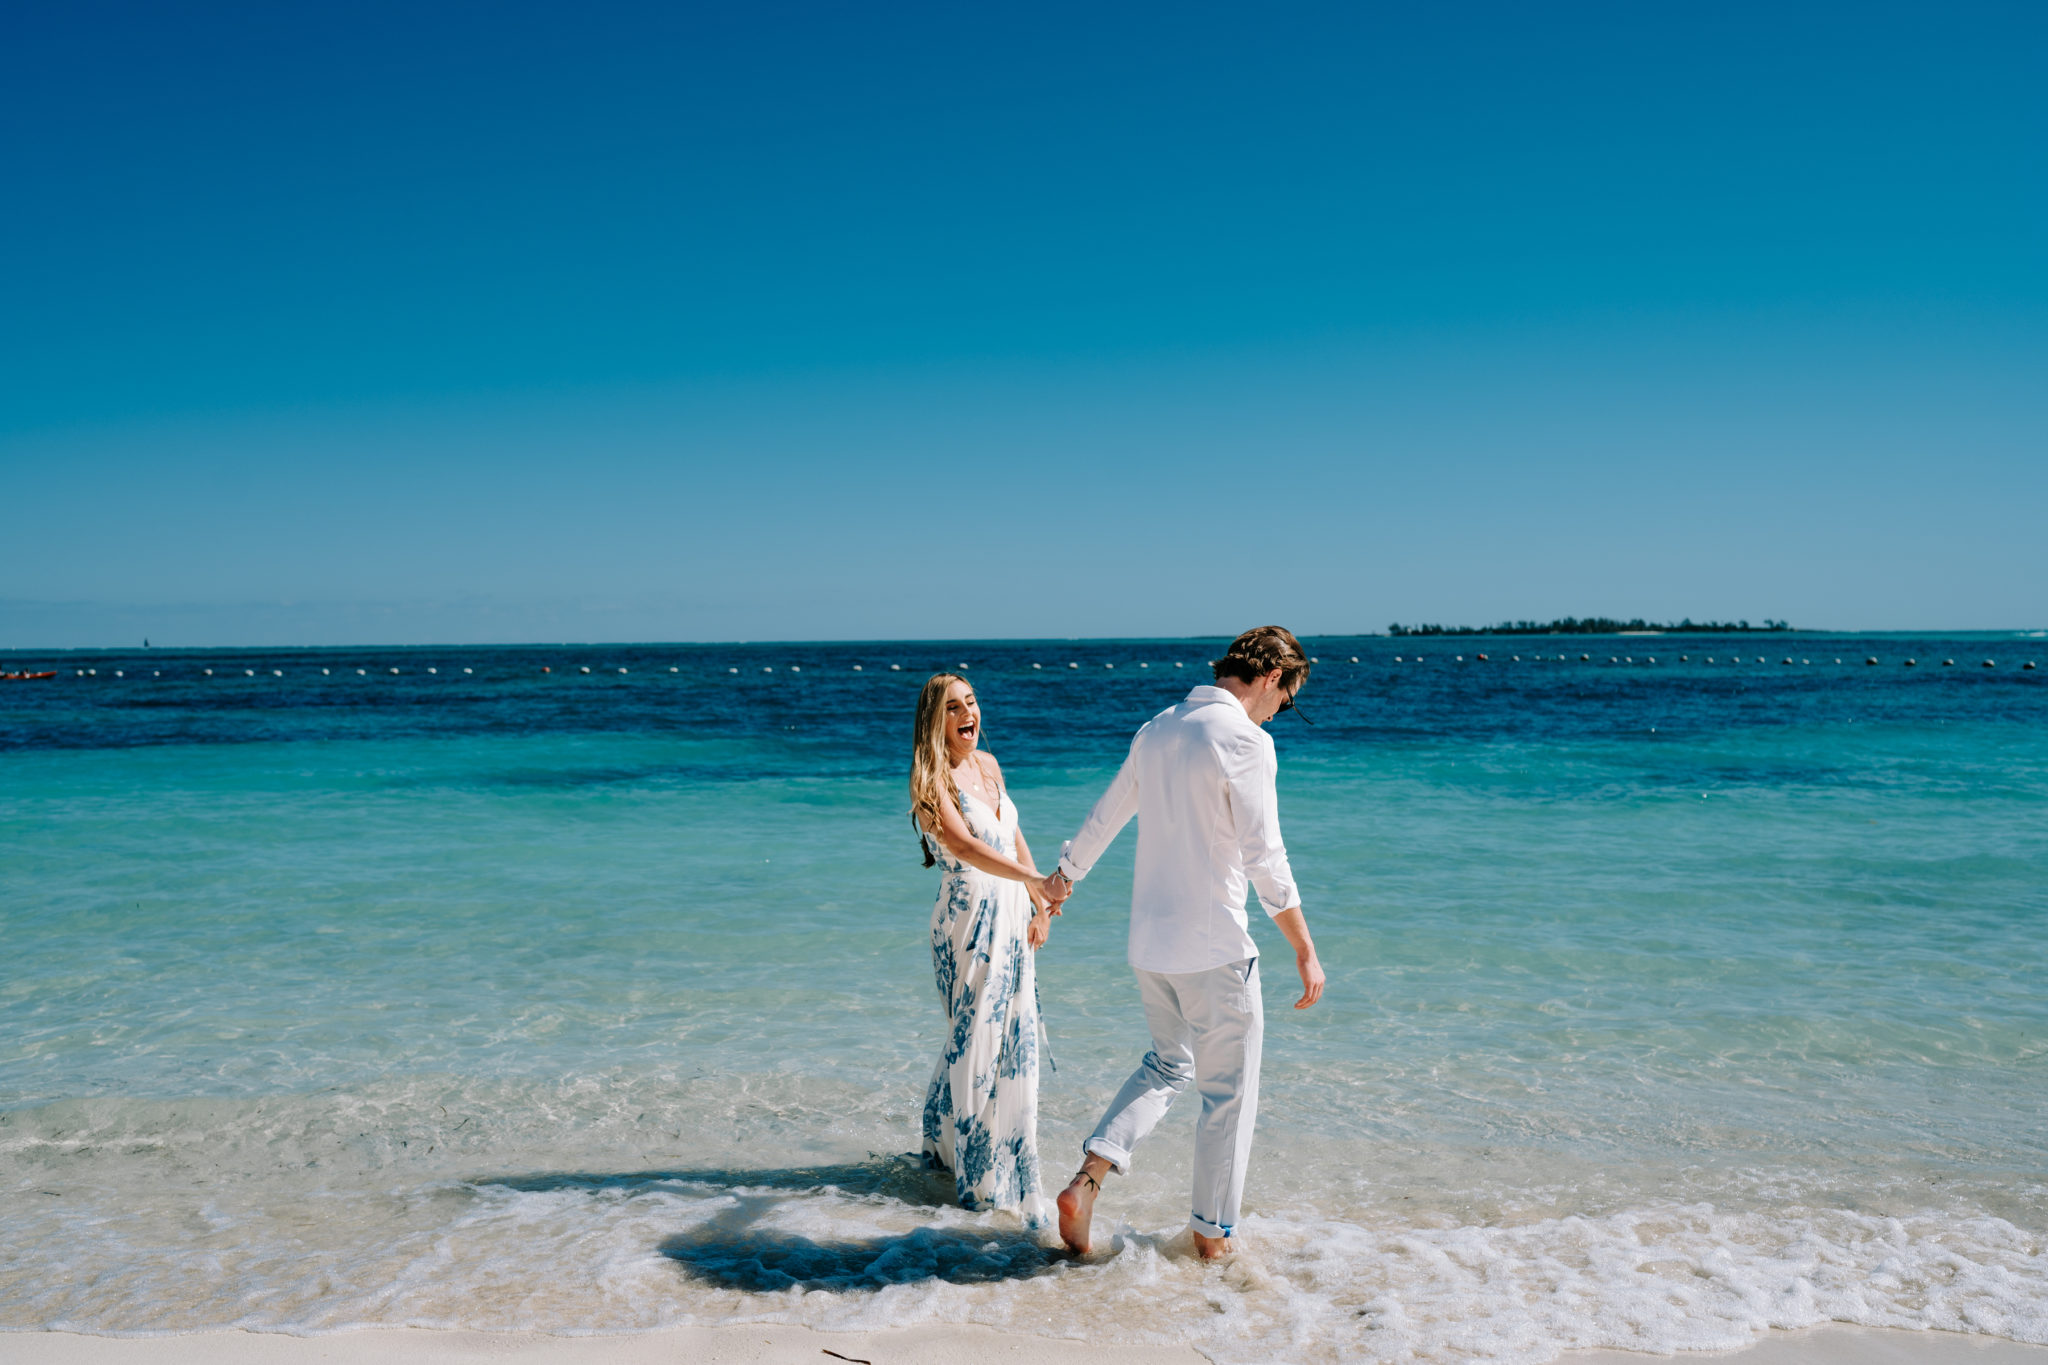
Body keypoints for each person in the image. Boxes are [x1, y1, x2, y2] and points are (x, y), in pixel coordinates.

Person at [1037, 626, 1326, 1260]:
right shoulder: (1245, 741)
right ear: (1273, 677)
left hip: (1150, 946)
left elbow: (1105, 817)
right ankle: (1212, 1244)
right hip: (1216, 949)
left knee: (1170, 1065)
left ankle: (1089, 1179)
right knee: (1229, 1098)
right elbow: (1265, 857)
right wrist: (1304, 947)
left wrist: (1061, 881)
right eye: (1286, 697)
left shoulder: (1158, 728)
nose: (1280, 711)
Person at [910, 672, 1058, 1224]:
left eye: (971, 702)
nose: (967, 713)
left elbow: (1011, 834)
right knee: (976, 1041)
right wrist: (1035, 880)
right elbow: (967, 846)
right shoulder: (931, 781)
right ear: (935, 721)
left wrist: (1036, 900)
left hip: (1011, 916)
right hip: (968, 924)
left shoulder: (989, 766)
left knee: (1011, 1038)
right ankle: (973, 1173)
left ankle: (993, 1159)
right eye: (953, 707)